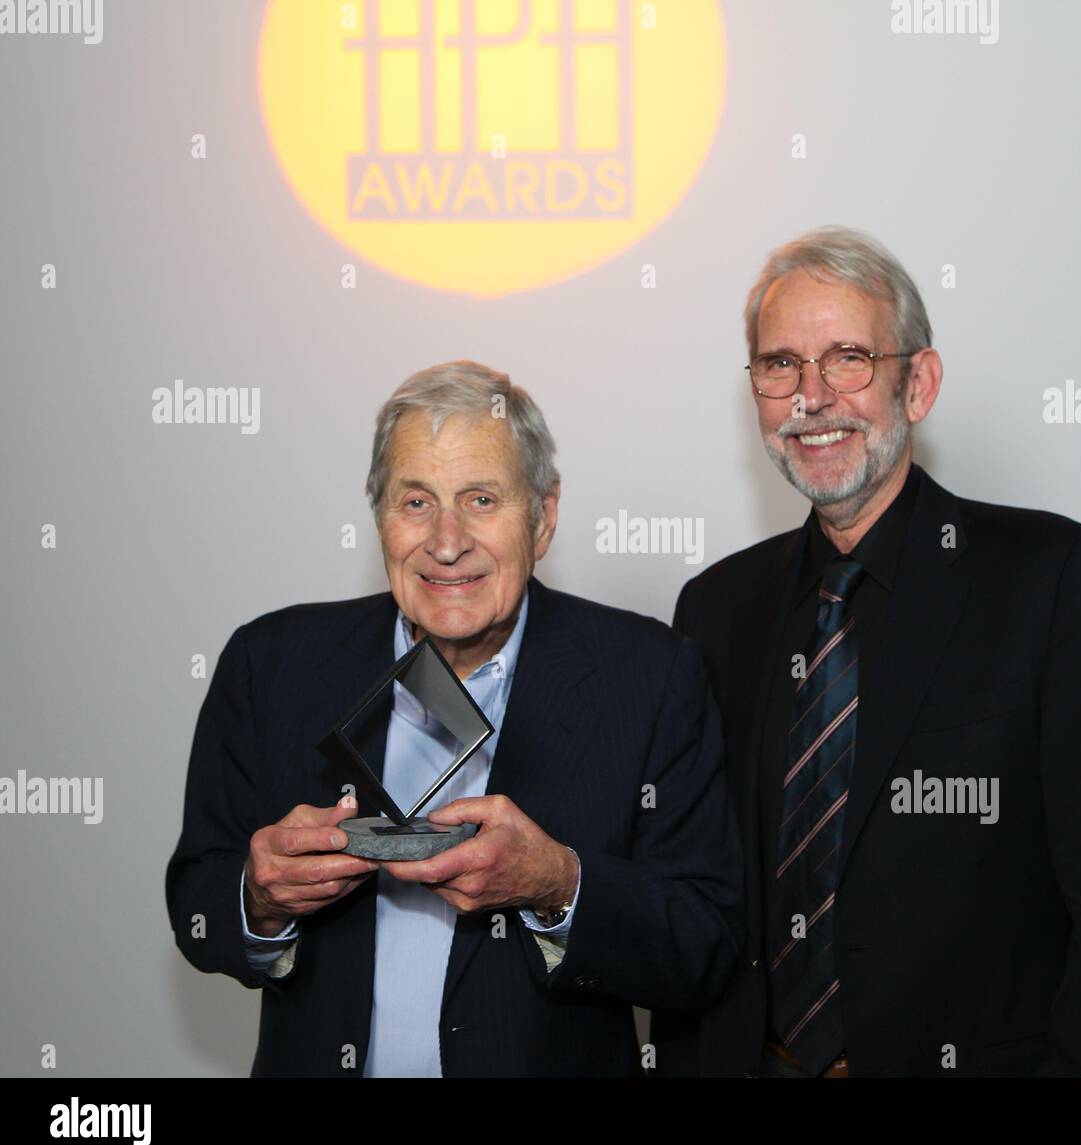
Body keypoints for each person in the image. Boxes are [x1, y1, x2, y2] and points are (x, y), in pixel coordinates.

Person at [652, 227, 1081, 1078]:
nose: (811, 396)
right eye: (779, 364)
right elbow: (696, 893)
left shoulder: (1051, 580)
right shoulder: (715, 608)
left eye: (848, 358)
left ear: (919, 383)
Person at [166, 360, 743, 1077]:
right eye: (415, 501)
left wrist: (559, 884)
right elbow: (197, 904)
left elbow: (705, 944)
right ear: (378, 514)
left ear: (544, 514)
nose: (445, 540)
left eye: (480, 499)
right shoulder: (270, 663)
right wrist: (260, 898)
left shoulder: (652, 675)